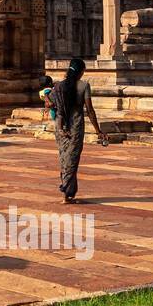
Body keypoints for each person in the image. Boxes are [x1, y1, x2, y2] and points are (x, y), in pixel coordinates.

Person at [48, 58, 107, 204]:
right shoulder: (84, 86)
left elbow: (49, 100)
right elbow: (90, 110)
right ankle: (67, 191)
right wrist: (98, 130)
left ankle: (69, 193)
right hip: (76, 127)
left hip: (61, 128)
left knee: (64, 158)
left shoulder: (59, 86)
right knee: (72, 159)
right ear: (81, 72)